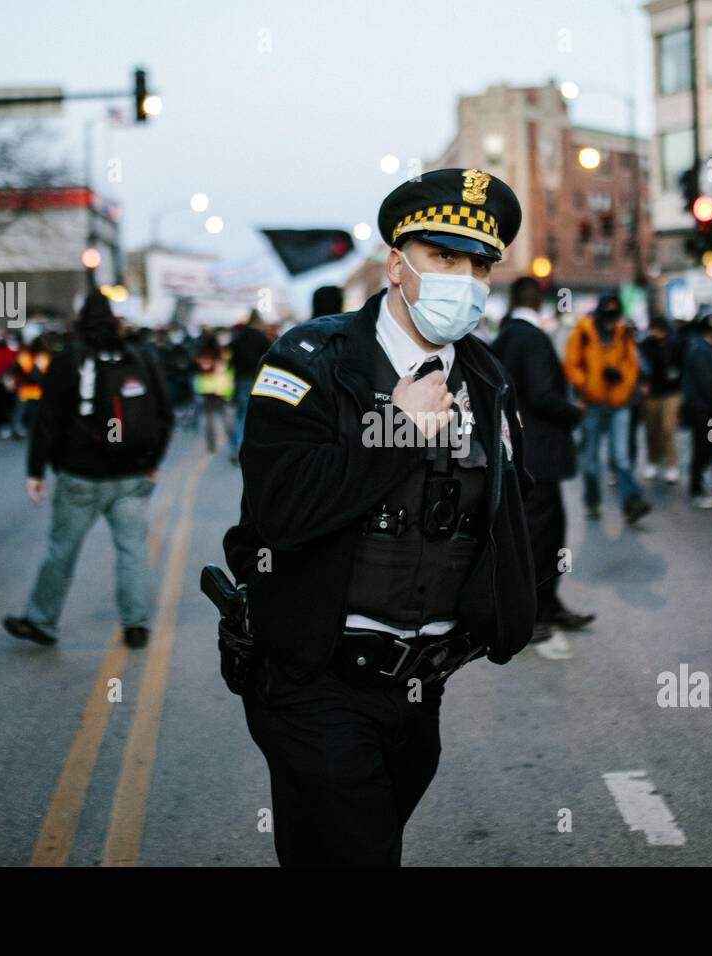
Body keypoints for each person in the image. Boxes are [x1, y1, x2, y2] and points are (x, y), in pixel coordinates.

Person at [223, 167, 535, 866]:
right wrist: (395, 430)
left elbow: (510, 506)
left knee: (361, 845)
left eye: (480, 264)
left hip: (422, 687)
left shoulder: (486, 377)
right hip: (317, 681)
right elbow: (282, 510)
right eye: (444, 258)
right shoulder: (310, 363)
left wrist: (509, 611)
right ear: (397, 264)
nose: (466, 279)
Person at [4, 291, 172, 649]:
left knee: (61, 549)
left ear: (80, 322)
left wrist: (35, 471)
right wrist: (152, 462)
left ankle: (41, 620)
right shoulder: (140, 357)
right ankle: (135, 624)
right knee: (132, 550)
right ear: (115, 321)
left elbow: (47, 420)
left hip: (81, 473)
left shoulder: (67, 359)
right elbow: (165, 414)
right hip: (131, 473)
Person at [493, 275, 593, 646]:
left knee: (539, 536)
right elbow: (541, 395)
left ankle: (548, 606)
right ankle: (533, 614)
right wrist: (574, 412)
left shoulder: (505, 336)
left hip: (519, 452)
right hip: (538, 455)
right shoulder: (531, 338)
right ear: (536, 299)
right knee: (541, 539)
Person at [564, 294, 650, 524]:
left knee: (620, 457)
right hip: (592, 404)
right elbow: (571, 365)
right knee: (591, 458)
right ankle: (592, 500)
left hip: (618, 403)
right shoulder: (583, 332)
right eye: (608, 313)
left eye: (615, 313)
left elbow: (632, 364)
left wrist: (622, 380)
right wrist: (587, 384)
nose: (612, 318)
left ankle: (631, 501)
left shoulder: (624, 334)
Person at [680, 313, 712, 509]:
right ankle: (697, 489)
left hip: (709, 409)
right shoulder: (701, 349)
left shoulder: (704, 347)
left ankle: (702, 479)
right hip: (705, 409)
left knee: (711, 444)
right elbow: (706, 382)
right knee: (703, 447)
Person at [639, 316, 683, 483]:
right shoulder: (645, 345)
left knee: (667, 429)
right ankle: (653, 460)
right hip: (651, 393)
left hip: (671, 392)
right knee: (651, 430)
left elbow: (681, 365)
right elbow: (639, 366)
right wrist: (643, 382)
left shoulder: (674, 344)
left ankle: (671, 465)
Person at [228, 309, 271, 462]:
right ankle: (253, 448)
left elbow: (231, 359)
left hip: (240, 378)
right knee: (257, 414)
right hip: (258, 379)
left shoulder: (239, 336)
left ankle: (236, 448)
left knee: (241, 414)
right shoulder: (261, 337)